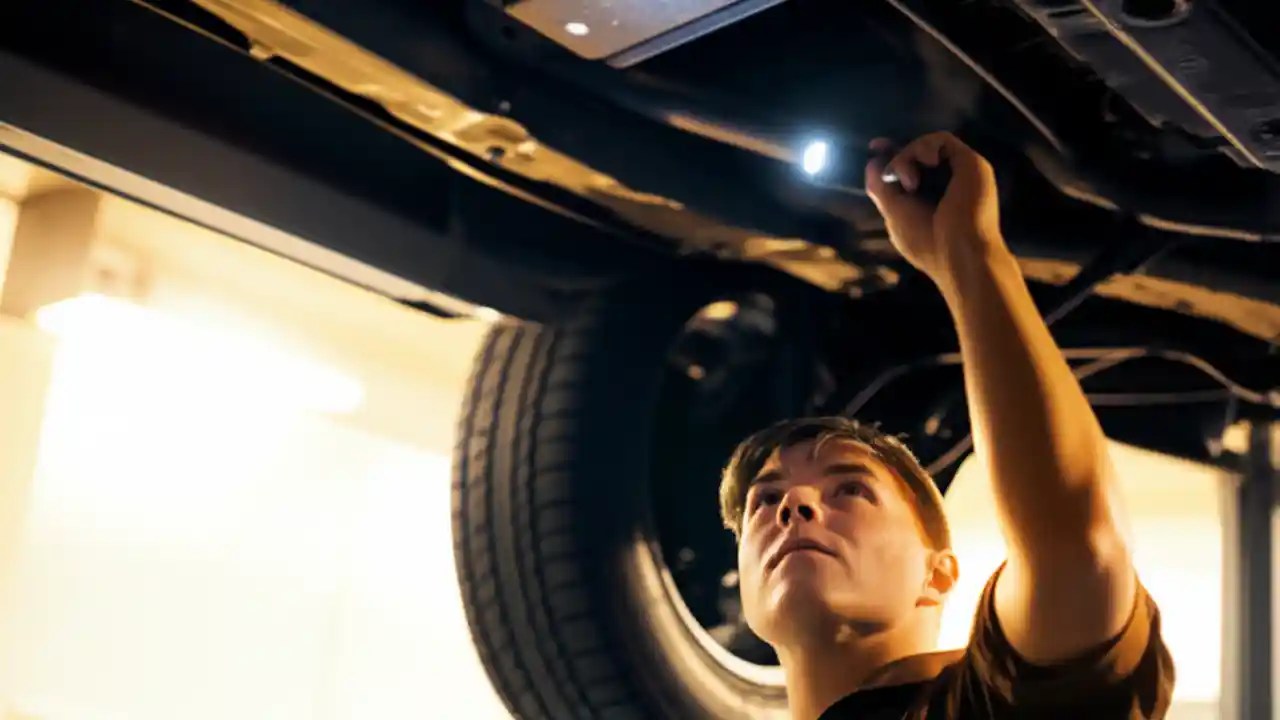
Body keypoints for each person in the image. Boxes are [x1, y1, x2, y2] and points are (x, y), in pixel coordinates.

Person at [718, 132, 1175, 720]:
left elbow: (1077, 549)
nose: (794, 505)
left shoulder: (990, 706)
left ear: (937, 575)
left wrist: (968, 251)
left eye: (850, 489)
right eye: (765, 500)